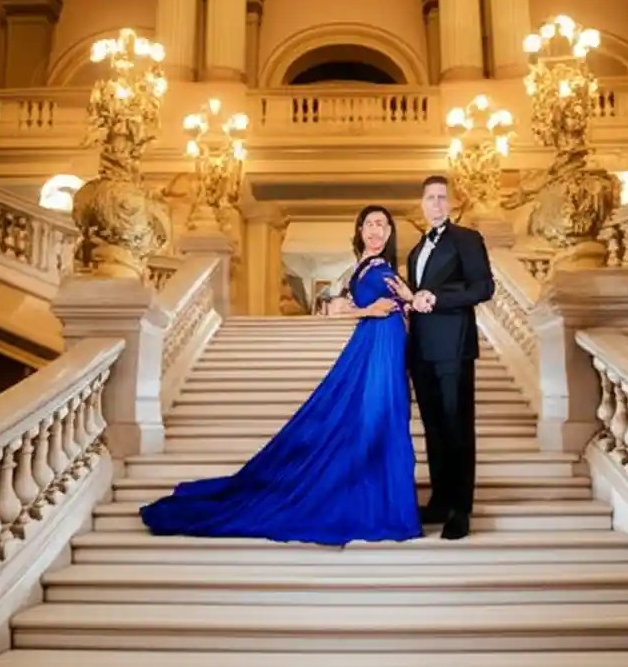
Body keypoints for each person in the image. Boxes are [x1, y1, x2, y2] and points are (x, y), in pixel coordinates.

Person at [140, 205, 422, 545]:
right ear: (360, 231)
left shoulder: (381, 268)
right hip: (371, 343)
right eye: (370, 224)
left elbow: (402, 309)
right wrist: (368, 310)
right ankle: (372, 501)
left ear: (389, 233)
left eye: (382, 225)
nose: (377, 230)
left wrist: (402, 302)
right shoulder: (364, 268)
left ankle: (382, 503)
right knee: (362, 421)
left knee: (377, 421)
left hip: (384, 345)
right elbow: (335, 311)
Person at [386, 175, 494, 540]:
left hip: (454, 347)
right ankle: (441, 499)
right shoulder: (417, 250)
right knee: (433, 428)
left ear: (451, 203)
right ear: (422, 204)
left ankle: (461, 511)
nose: (436, 203)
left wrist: (439, 298)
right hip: (422, 351)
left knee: (457, 428)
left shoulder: (466, 239)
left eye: (442, 197)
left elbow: (484, 287)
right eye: (430, 198)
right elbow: (418, 297)